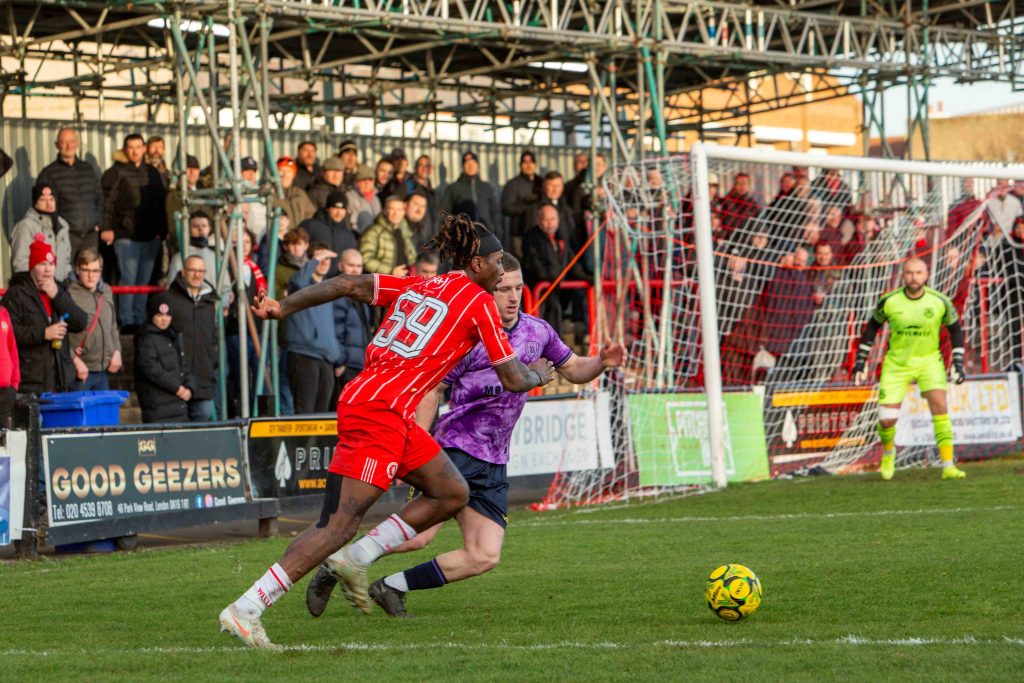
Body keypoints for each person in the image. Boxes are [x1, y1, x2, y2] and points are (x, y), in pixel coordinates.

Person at [220, 215, 555, 648]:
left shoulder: (423, 284)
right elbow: (512, 378)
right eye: (496, 263)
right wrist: (538, 373)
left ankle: (356, 558)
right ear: (477, 264)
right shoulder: (478, 303)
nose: (501, 270)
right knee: (337, 525)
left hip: (382, 406)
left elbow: (346, 283)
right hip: (379, 411)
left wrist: (283, 307)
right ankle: (248, 607)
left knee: (452, 492)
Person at [305, 253, 625, 617]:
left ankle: (390, 586)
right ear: (487, 288)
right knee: (420, 536)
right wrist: (412, 439)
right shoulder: (469, 335)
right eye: (504, 288)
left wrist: (600, 362)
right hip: (454, 446)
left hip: (495, 459)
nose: (513, 296)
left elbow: (573, 367)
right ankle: (338, 562)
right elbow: (432, 388)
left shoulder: (538, 331)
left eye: (518, 288)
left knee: (484, 555)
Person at [851, 258, 967, 480]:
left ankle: (948, 466)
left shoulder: (939, 301)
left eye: (918, 272)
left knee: (940, 407)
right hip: (896, 364)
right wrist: (861, 360)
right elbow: (872, 327)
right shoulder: (889, 301)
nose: (914, 276)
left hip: (929, 361)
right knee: (886, 419)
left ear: (926, 275)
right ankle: (888, 453)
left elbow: (955, 330)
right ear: (903, 276)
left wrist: (958, 362)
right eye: (909, 273)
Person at [1, 236, 87, 394]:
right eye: (42, 264)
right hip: (30, 383)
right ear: (32, 267)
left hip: (60, 381)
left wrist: (57, 296)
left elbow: (80, 322)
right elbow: (9, 334)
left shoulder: (60, 290)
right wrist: (43, 333)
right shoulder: (16, 295)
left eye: (51, 264)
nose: (48, 269)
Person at [101, 133, 167, 331]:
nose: (135, 151)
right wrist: (107, 228)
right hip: (126, 235)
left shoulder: (152, 173)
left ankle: (139, 318)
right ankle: (127, 320)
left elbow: (160, 204)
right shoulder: (116, 172)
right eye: (130, 147)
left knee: (144, 281)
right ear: (124, 149)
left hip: (150, 236)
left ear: (144, 148)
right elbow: (107, 203)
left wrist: (162, 231)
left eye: (138, 147)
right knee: (128, 279)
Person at [285, 244, 342, 414]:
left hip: (326, 359)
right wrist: (315, 259)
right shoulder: (301, 285)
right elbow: (298, 280)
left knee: (322, 414)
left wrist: (336, 355)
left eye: (328, 259)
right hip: (304, 355)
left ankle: (316, 443)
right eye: (320, 258)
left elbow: (330, 326)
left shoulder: (329, 288)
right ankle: (302, 443)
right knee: (305, 413)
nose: (324, 262)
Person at [166, 255, 220, 422]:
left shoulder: (210, 302)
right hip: (177, 379)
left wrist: (213, 361)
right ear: (183, 272)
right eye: (192, 270)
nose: (197, 275)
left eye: (200, 271)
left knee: (203, 422)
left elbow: (214, 337)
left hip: (203, 377)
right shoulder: (170, 299)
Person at [36, 127, 103, 255]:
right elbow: (44, 208)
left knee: (89, 273)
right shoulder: (49, 173)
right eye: (63, 142)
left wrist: (98, 223)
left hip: (90, 236)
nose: (68, 146)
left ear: (77, 143)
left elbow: (99, 198)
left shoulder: (87, 169)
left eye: (72, 141)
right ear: (57, 145)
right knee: (67, 273)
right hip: (66, 237)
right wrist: (58, 229)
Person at [67, 249, 122, 391]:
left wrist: (117, 350)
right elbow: (60, 335)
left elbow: (112, 325)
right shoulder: (68, 294)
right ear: (77, 270)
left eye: (95, 271)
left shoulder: (106, 291)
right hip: (80, 370)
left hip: (104, 369)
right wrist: (74, 360)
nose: (91, 276)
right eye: (86, 270)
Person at [135, 293, 191, 423]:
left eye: (167, 315)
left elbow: (184, 365)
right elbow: (151, 369)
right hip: (158, 406)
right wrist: (177, 388)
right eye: (159, 315)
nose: (164, 319)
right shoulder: (145, 338)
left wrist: (189, 387)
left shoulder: (175, 336)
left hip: (177, 405)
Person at [330, 249, 372, 403]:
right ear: (340, 266)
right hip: (346, 366)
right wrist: (340, 361)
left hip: (360, 365)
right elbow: (335, 331)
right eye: (351, 265)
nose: (355, 270)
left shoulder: (362, 295)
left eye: (359, 266)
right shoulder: (337, 294)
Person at [10, 183, 72, 280]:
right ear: (35, 202)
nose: (48, 204)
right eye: (43, 200)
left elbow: (67, 259)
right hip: (36, 289)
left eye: (51, 199)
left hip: (58, 288)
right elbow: (20, 263)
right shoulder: (25, 226)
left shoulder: (63, 225)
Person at [441, 151, 502, 240]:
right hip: (463, 237)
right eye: (467, 163)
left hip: (486, 235)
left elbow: (494, 211)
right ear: (463, 167)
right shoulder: (453, 188)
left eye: (473, 163)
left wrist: (496, 230)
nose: (470, 166)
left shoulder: (486, 187)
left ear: (477, 165)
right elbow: (445, 213)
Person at [300, 190, 357, 274]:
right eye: (335, 208)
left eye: (342, 209)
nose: (338, 212)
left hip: (337, 283)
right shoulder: (310, 226)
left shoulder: (349, 236)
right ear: (327, 208)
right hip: (312, 280)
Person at [359, 195, 415, 277]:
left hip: (404, 282)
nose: (396, 213)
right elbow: (365, 259)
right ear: (385, 210)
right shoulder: (374, 231)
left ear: (404, 212)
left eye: (399, 209)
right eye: (392, 209)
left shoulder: (405, 231)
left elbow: (411, 257)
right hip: (382, 283)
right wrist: (390, 271)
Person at [501, 151, 543, 256]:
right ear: (520, 165)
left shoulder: (542, 182)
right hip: (519, 234)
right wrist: (525, 206)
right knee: (521, 264)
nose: (528, 165)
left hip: (541, 232)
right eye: (525, 162)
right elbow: (505, 207)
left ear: (535, 165)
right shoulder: (512, 184)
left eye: (531, 162)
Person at [272, 156, 317, 228]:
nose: (285, 175)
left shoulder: (300, 194)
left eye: (288, 171)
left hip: (298, 237)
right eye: (281, 171)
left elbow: (312, 216)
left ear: (293, 174)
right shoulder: (271, 194)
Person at [344, 164, 381, 235]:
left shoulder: (376, 199)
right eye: (363, 179)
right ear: (356, 182)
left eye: (370, 179)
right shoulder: (350, 196)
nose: (367, 183)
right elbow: (353, 223)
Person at [410, 155, 439, 241]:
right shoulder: (409, 186)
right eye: (420, 165)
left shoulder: (433, 193)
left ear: (431, 169)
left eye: (427, 166)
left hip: (432, 241)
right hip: (415, 240)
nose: (424, 168)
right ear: (415, 167)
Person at [0, 304, 19, 427]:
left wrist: (14, 383)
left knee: (5, 443)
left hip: (5, 391)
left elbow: (12, 348)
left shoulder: (2, 312)